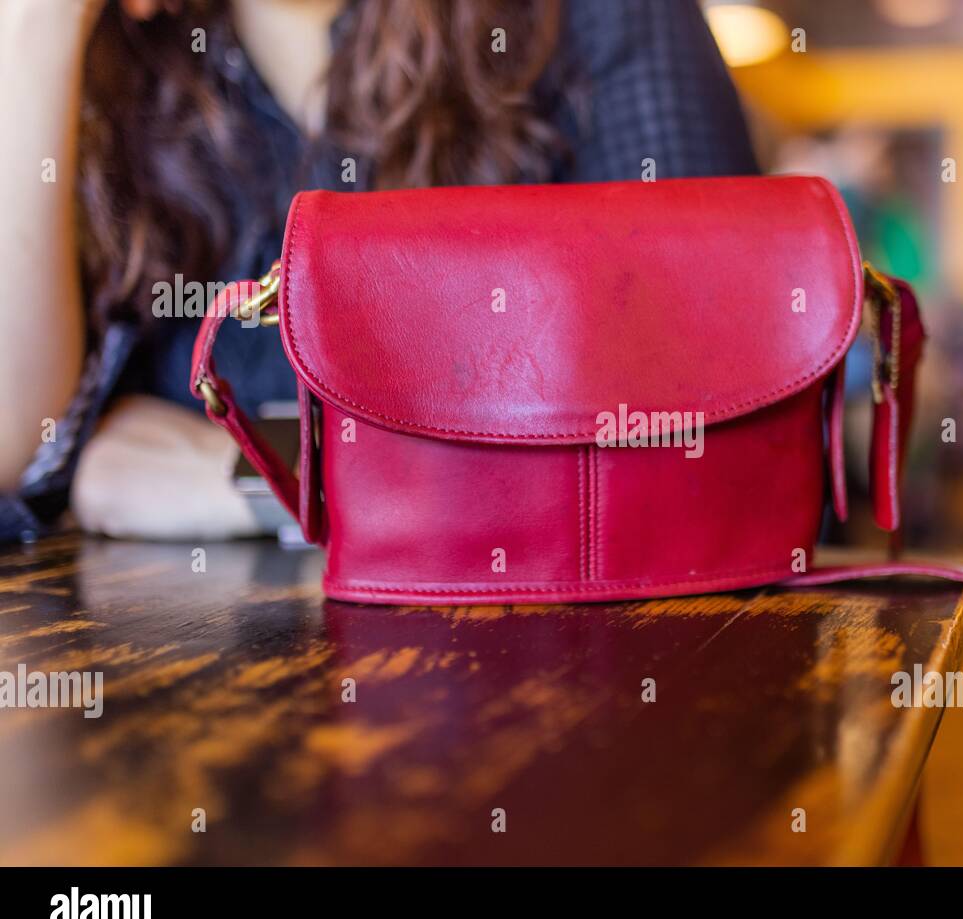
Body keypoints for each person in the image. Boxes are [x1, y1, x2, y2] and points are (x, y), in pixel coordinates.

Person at [0, 0, 757, 539]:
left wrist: (277, 480)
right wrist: (39, 22)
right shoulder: (113, 77)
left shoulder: (600, 18)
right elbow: (10, 453)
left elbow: (716, 438)